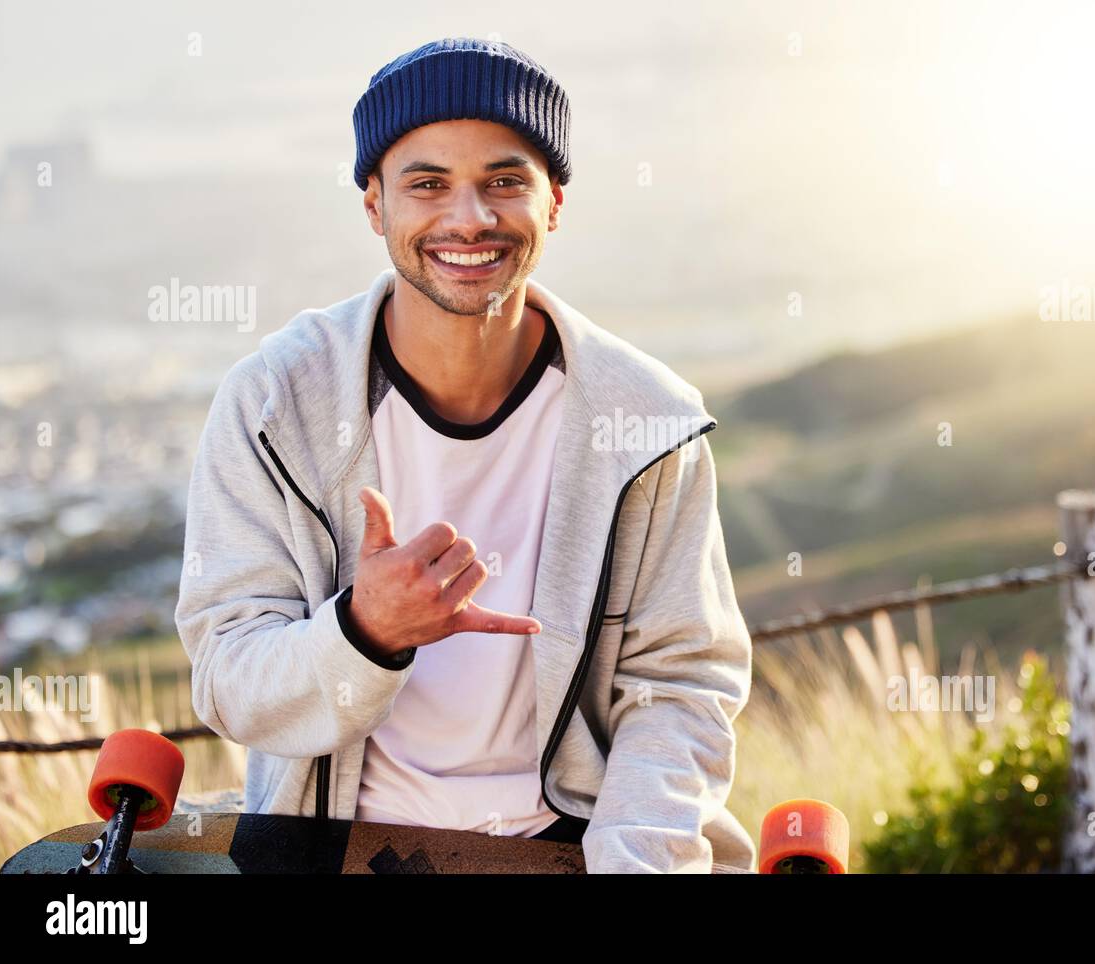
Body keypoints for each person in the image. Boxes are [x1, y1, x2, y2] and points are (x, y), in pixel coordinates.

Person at [174, 36, 756, 873]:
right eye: (427, 183)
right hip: (337, 850)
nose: (469, 218)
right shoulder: (274, 405)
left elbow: (680, 689)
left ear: (554, 202)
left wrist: (633, 863)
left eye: (505, 181)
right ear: (373, 205)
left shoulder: (648, 423)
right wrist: (364, 630)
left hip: (570, 849)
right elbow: (231, 683)